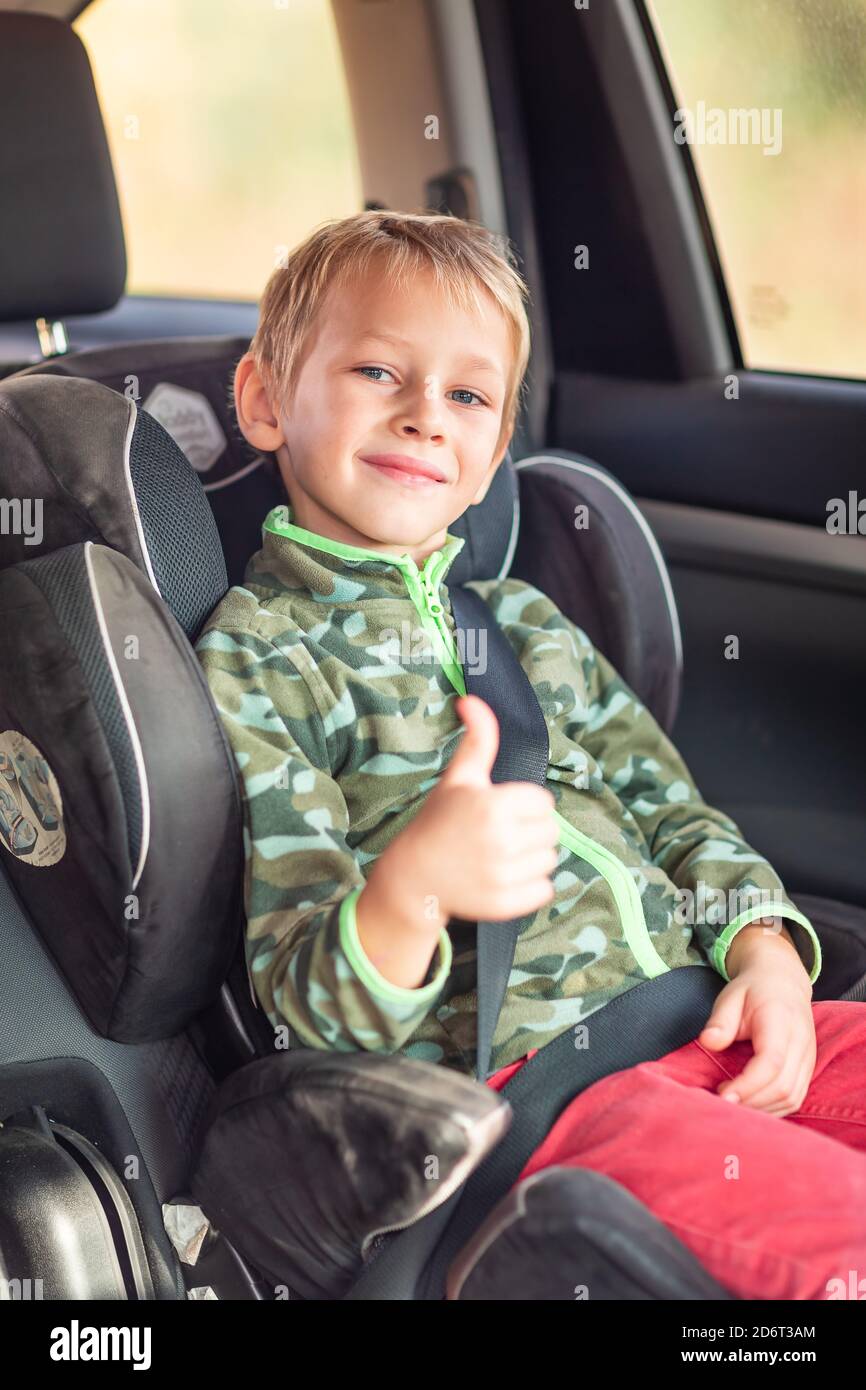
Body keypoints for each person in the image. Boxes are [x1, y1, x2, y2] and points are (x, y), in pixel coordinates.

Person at [195, 209, 866, 1302]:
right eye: (377, 370)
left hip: (716, 1023)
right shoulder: (261, 653)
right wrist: (412, 885)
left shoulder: (522, 622)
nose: (422, 418)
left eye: (465, 396)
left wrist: (763, 948)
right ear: (266, 399)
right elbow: (306, 1017)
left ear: (492, 452)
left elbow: (672, 811)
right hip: (560, 1089)